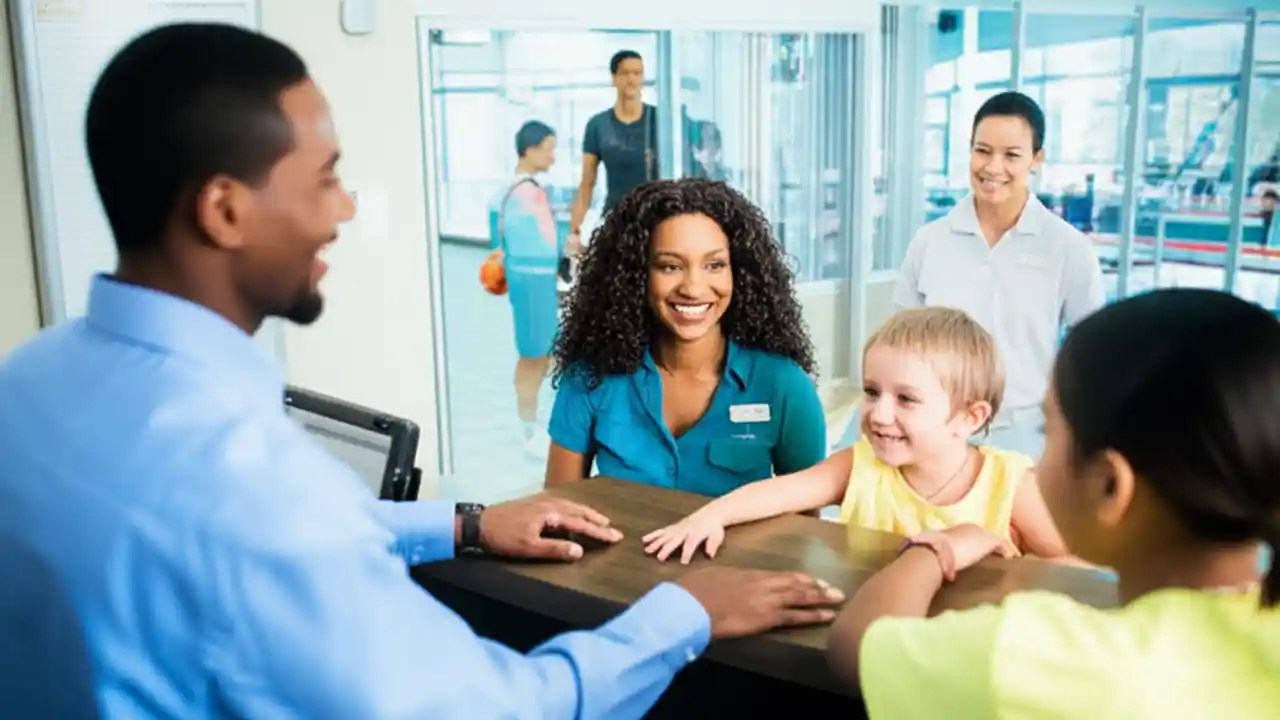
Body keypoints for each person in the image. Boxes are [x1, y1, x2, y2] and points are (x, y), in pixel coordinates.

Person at [0, 24, 848, 719]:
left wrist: (466, 527)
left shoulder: (28, 385)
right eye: (326, 178)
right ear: (225, 209)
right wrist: (689, 613)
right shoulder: (249, 483)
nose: (347, 208)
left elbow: (260, 540)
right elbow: (500, 708)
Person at [828, 288, 1280, 718]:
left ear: (1109, 486)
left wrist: (934, 549)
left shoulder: (1043, 658)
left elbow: (856, 650)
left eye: (1048, 433)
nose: (1035, 461)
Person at [641, 307, 1069, 565]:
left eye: (906, 399)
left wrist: (1010, 569)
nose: (879, 414)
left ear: (968, 418)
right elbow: (781, 491)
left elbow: (1079, 566)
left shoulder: (1010, 483)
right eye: (871, 392)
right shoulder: (862, 464)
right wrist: (710, 516)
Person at [546, 179, 827, 497]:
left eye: (715, 265)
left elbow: (805, 524)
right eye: (670, 266)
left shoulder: (784, 386)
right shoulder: (589, 379)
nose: (693, 288)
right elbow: (557, 511)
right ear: (637, 275)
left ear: (741, 273)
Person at [894, 91, 1105, 457]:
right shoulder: (929, 241)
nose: (993, 167)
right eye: (983, 150)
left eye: (1012, 155)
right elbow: (902, 341)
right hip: (938, 429)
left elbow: (1096, 349)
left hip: (1026, 437)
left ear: (1036, 159)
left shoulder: (1068, 248)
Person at [489, 120, 562, 457]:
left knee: (540, 352)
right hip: (532, 281)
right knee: (534, 355)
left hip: (535, 281)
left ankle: (529, 419)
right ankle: (527, 428)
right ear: (530, 150)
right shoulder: (523, 191)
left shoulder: (511, 190)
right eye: (548, 148)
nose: (553, 156)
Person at [567, 50, 659, 252]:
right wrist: (574, 232)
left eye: (638, 73)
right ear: (614, 78)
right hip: (616, 219)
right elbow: (587, 183)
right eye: (625, 73)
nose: (632, 79)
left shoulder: (659, 120)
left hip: (657, 219)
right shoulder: (598, 125)